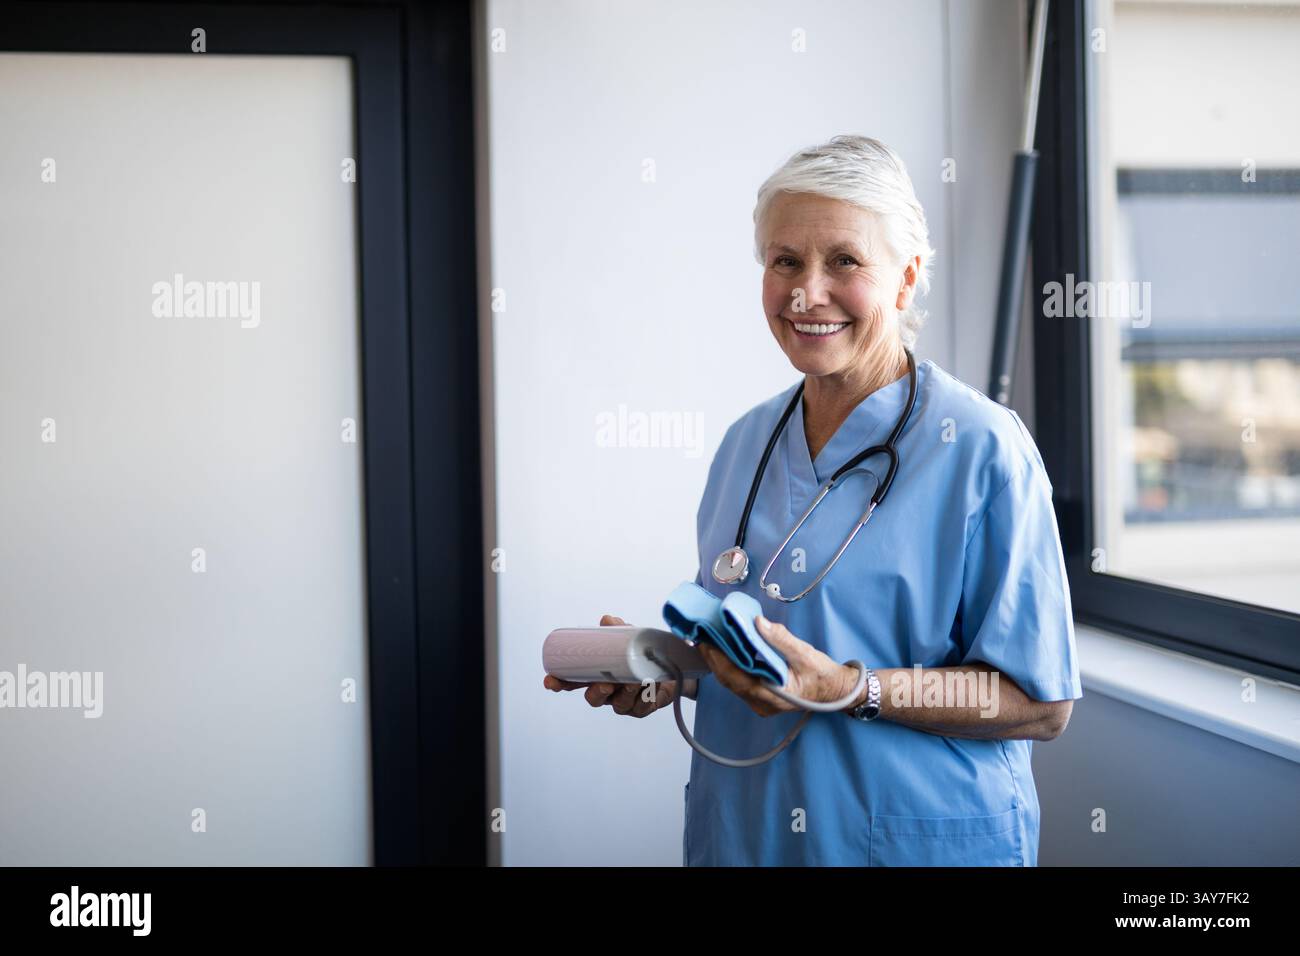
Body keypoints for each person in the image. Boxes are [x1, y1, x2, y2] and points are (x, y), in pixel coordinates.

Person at [545, 135, 1082, 866]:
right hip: (746, 835)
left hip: (908, 840)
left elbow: (1042, 705)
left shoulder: (983, 449)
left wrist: (852, 690)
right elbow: (762, 658)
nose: (806, 292)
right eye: (784, 261)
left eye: (845, 261)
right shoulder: (745, 443)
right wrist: (672, 673)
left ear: (906, 278)